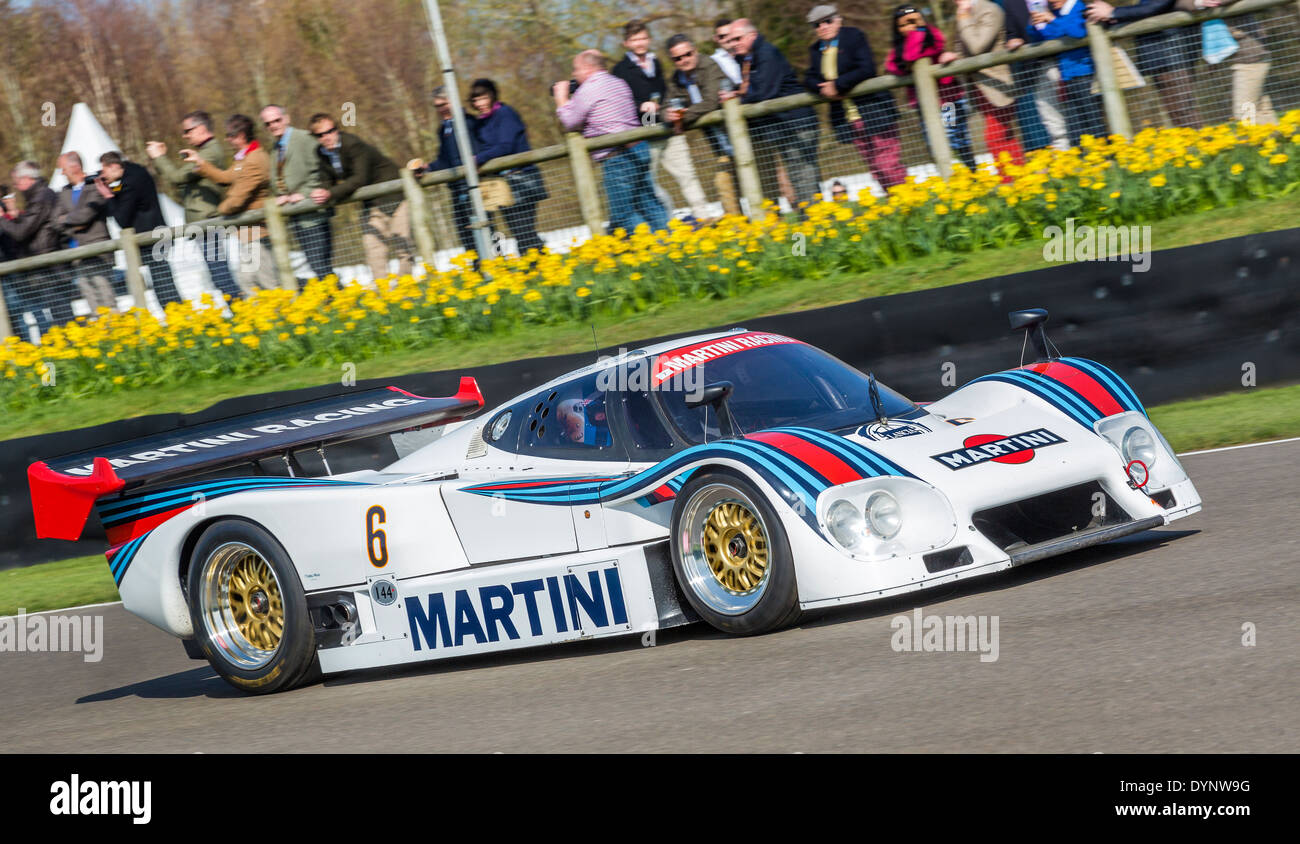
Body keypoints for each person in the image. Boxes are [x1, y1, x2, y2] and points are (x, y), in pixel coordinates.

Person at [555, 49, 668, 235]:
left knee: (623, 216)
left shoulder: (588, 89)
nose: (573, 74)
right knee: (650, 205)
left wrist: (561, 99)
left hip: (617, 157)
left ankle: (651, 245)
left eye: (576, 69)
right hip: (639, 148)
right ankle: (670, 243)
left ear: (587, 68)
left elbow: (571, 122)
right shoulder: (618, 82)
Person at [723, 18, 824, 211]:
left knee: (804, 176)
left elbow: (765, 92)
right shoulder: (747, 59)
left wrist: (737, 99)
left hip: (797, 124)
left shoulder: (766, 53)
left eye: (737, 39)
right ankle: (813, 218)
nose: (733, 44)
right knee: (799, 177)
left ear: (752, 35)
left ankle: (815, 219)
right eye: (731, 40)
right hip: (783, 127)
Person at [804, 5, 906, 191]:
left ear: (838, 20)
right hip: (849, 119)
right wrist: (823, 89)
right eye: (817, 25)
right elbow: (809, 78)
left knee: (887, 165)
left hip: (874, 111)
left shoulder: (853, 36)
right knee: (876, 169)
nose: (823, 27)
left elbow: (866, 68)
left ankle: (909, 199)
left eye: (827, 21)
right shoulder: (816, 50)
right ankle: (895, 202)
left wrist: (837, 85)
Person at [146, 110, 243, 301]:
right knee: (218, 274)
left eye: (187, 131)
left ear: (200, 128)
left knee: (221, 275)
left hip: (207, 221)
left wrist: (159, 157)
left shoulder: (209, 153)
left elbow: (177, 177)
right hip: (203, 221)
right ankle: (238, 309)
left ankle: (239, 310)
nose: (185, 136)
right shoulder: (205, 152)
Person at [310, 113, 414, 281]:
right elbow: (326, 180)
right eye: (320, 135)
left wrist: (330, 193)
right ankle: (382, 290)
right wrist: (321, 191)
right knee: (373, 248)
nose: (327, 137)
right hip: (371, 202)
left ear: (337, 130)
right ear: (316, 137)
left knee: (402, 244)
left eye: (330, 131)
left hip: (394, 194)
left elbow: (360, 178)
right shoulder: (320, 153)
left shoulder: (353, 144)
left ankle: (406, 286)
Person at [185, 114, 279, 293]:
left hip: (257, 233)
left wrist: (217, 212)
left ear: (241, 135)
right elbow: (226, 177)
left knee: (268, 282)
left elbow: (237, 200)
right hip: (248, 233)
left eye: (230, 135)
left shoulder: (254, 160)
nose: (227, 139)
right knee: (247, 282)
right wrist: (201, 163)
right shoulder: (244, 158)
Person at [884, 5, 977, 171]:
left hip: (948, 101)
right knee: (933, 143)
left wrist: (919, 29)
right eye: (903, 25)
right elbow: (899, 62)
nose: (908, 27)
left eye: (912, 22)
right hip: (925, 106)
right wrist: (915, 35)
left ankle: (971, 175)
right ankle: (950, 177)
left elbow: (911, 57)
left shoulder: (932, 35)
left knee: (955, 139)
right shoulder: (897, 50)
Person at [1086, 0, 1202, 129]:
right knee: (1175, 110)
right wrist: (1112, 17)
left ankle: (1198, 139)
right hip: (1162, 56)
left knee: (1182, 109)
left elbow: (1153, 7)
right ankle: (1192, 139)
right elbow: (1144, 11)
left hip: (1171, 53)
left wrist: (1113, 12)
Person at [468, 79, 548, 256]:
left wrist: (478, 159)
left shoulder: (505, 114)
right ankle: (537, 264)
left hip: (522, 179)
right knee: (519, 232)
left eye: (483, 98)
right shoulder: (482, 123)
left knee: (524, 231)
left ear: (492, 96)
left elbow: (506, 146)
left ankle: (540, 264)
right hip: (502, 183)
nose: (479, 104)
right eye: (475, 100)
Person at [664, 33, 740, 217]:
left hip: (741, 136)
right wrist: (667, 115)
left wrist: (681, 117)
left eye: (687, 54)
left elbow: (711, 102)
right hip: (719, 145)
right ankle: (738, 227)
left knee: (760, 184)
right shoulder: (676, 78)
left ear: (695, 51)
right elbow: (665, 106)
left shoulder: (709, 66)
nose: (684, 60)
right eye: (678, 58)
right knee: (724, 185)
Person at [93, 151, 182, 307]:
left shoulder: (129, 183)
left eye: (104, 171)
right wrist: (112, 188)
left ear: (114, 166)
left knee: (162, 282)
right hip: (156, 233)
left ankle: (174, 312)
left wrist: (108, 196)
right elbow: (122, 189)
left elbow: (122, 219)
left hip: (150, 240)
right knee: (162, 278)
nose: (103, 175)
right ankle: (175, 311)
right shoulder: (136, 171)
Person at [949, 0, 1025, 171]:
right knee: (1003, 136)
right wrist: (952, 57)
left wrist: (964, 17)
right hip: (977, 89)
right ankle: (1018, 176)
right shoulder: (964, 13)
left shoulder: (988, 9)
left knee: (994, 137)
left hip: (996, 85)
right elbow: (963, 51)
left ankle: (1011, 180)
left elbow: (977, 47)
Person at [260, 104, 333, 280]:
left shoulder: (305, 139)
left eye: (277, 120)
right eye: (268, 123)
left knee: (319, 265)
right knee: (317, 266)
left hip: (314, 213)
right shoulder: (275, 148)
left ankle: (342, 296)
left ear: (286, 119)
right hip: (296, 215)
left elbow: (322, 170)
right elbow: (280, 179)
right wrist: (282, 196)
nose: (273, 125)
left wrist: (305, 193)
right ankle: (337, 295)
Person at [1175, 0, 1274, 125]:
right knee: (1260, 110)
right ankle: (1275, 135)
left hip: (1249, 55)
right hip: (1225, 60)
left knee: (1244, 114)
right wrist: (1199, 2)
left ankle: (1259, 136)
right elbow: (1179, 3)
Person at [0, 161, 69, 338]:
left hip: (48, 263)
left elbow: (21, 232)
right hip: (45, 262)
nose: (16, 187)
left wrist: (2, 218)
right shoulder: (40, 196)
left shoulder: (40, 198)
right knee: (57, 310)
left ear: (27, 179)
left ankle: (70, 344)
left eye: (17, 182)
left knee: (60, 311)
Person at [1029, 0, 1106, 145]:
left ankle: (1105, 153)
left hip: (1085, 74)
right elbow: (1049, 35)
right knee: (1074, 126)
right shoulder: (1058, 13)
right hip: (1067, 77)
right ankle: (1080, 155)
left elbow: (1078, 32)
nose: (1051, 1)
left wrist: (1053, 19)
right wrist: (1035, 26)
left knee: (1092, 120)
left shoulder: (1078, 7)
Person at [420, 87, 480, 256]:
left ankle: (495, 264)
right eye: (437, 106)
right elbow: (445, 160)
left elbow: (475, 152)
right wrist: (428, 168)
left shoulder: (468, 122)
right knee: (466, 235)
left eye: (443, 104)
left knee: (484, 231)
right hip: (456, 188)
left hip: (474, 187)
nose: (441, 109)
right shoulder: (443, 129)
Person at [1001, 0, 1068, 151]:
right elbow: (1011, 34)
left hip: (1067, 61)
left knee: (1075, 111)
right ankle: (1065, 158)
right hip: (1037, 68)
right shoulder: (1011, 3)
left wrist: (1052, 19)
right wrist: (1012, 41)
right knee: (1051, 118)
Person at [55, 152, 116, 314]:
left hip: (97, 250)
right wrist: (74, 225)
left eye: (63, 169)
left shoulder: (95, 186)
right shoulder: (63, 192)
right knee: (91, 300)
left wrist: (66, 219)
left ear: (75, 167)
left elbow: (86, 215)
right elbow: (56, 221)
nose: (62, 173)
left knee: (106, 296)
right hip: (76, 255)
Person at [710, 18, 743, 87]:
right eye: (722, 36)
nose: (727, 39)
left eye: (730, 34)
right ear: (716, 38)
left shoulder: (747, 53)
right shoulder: (713, 61)